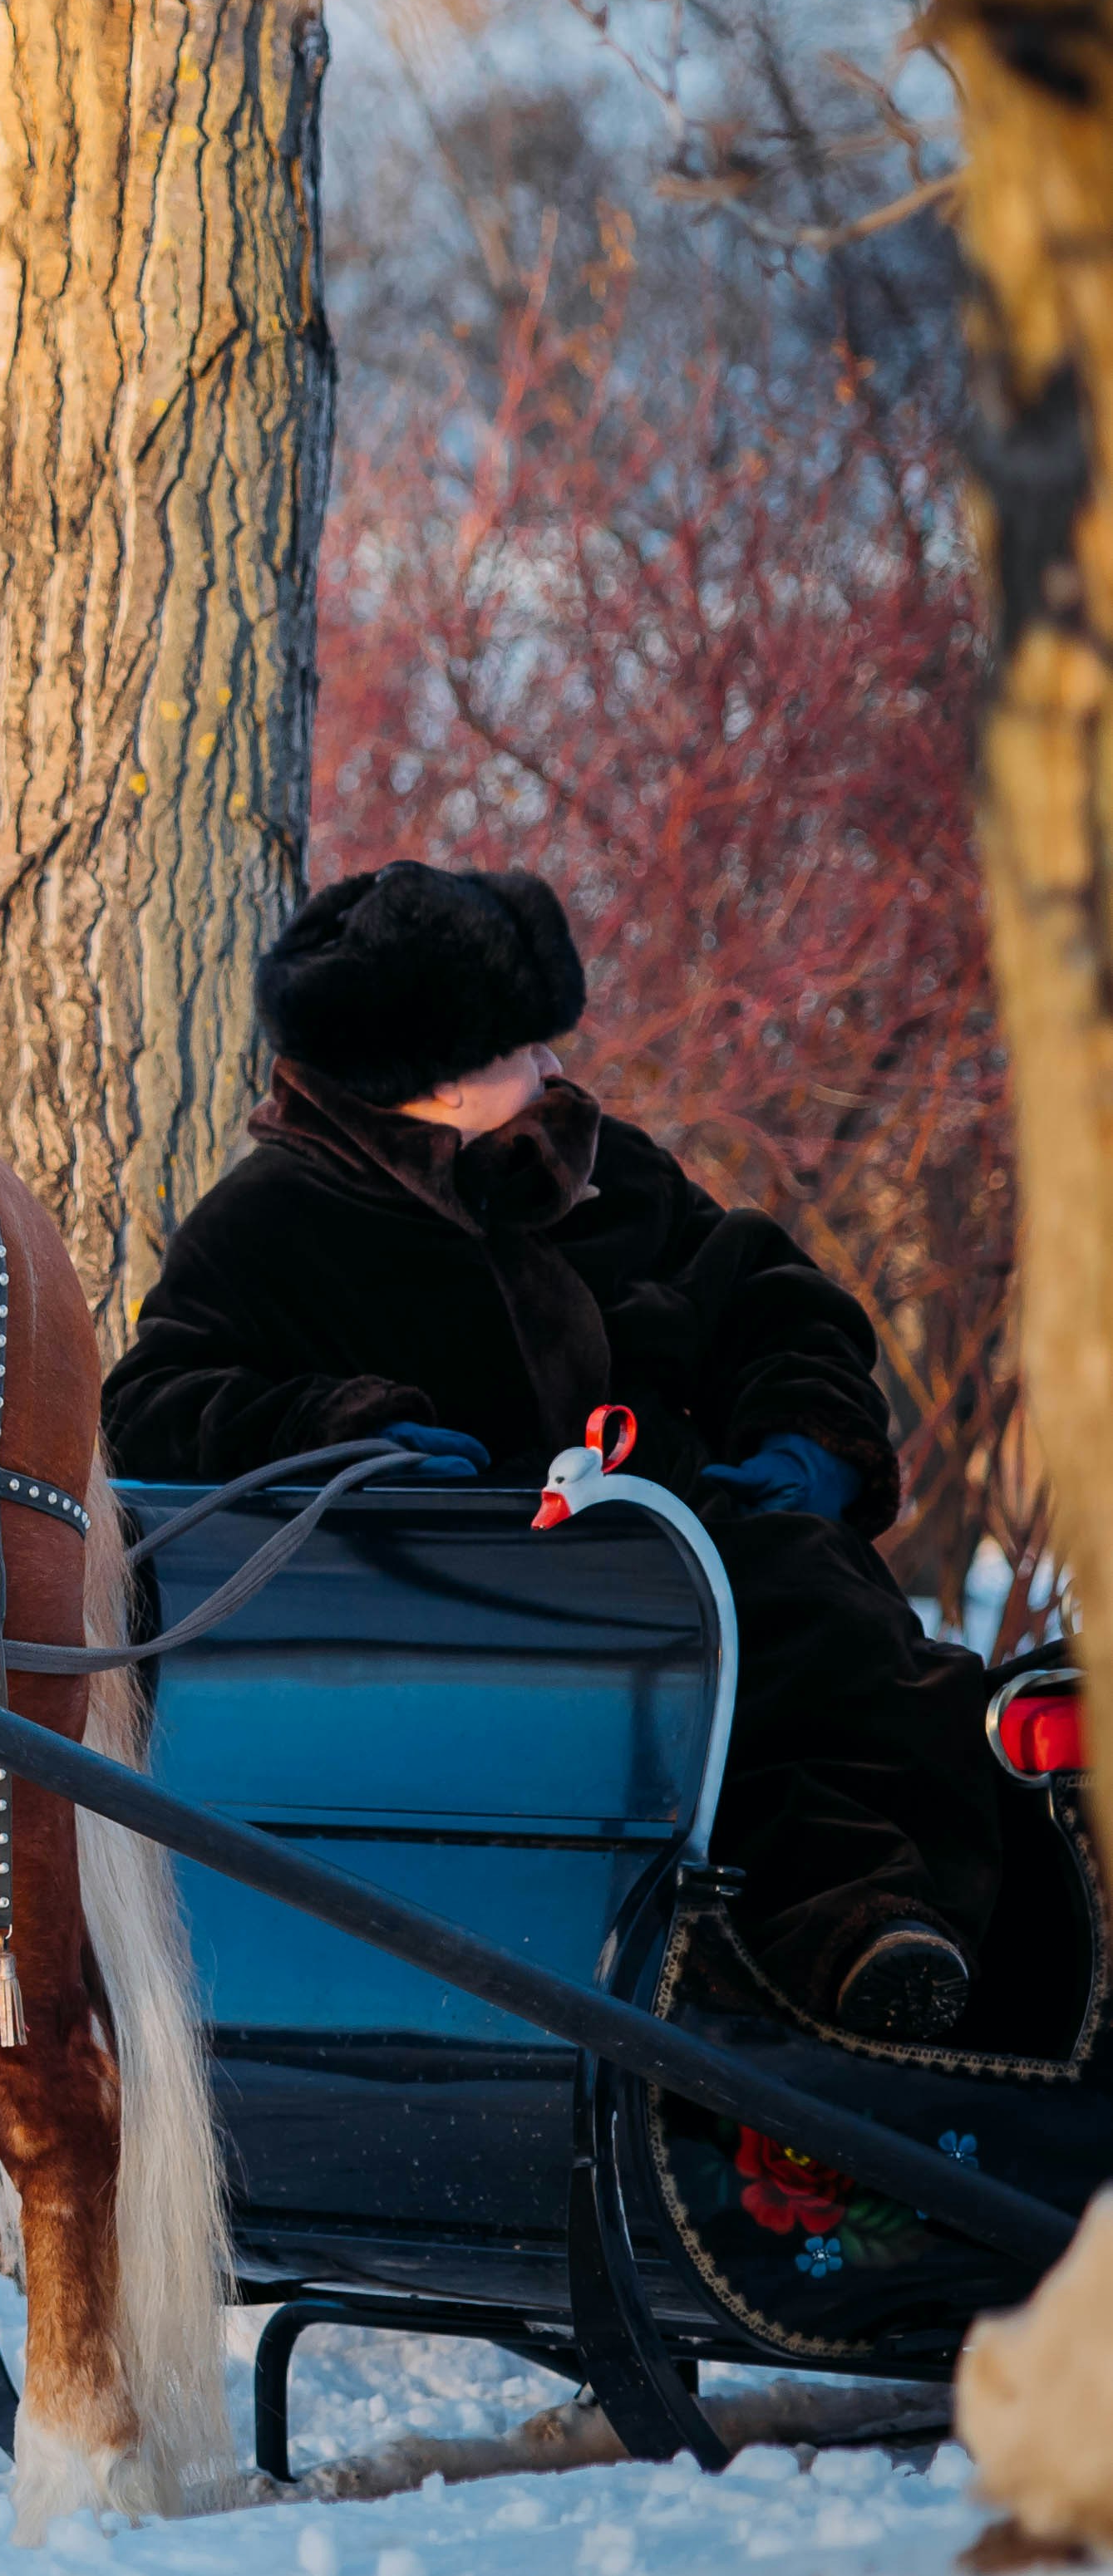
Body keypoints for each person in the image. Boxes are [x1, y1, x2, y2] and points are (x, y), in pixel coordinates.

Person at [106, 863, 1005, 2046]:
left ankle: (881, 1944)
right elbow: (155, 1401)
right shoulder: (267, 1226)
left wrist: (804, 1439)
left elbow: (772, 1302)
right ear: (428, 1079)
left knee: (819, 1664)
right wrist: (346, 1432)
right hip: (474, 1635)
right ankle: (911, 1929)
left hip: (706, 1560)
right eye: (515, 1048)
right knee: (866, 1683)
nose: (547, 1070)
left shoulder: (601, 1171)